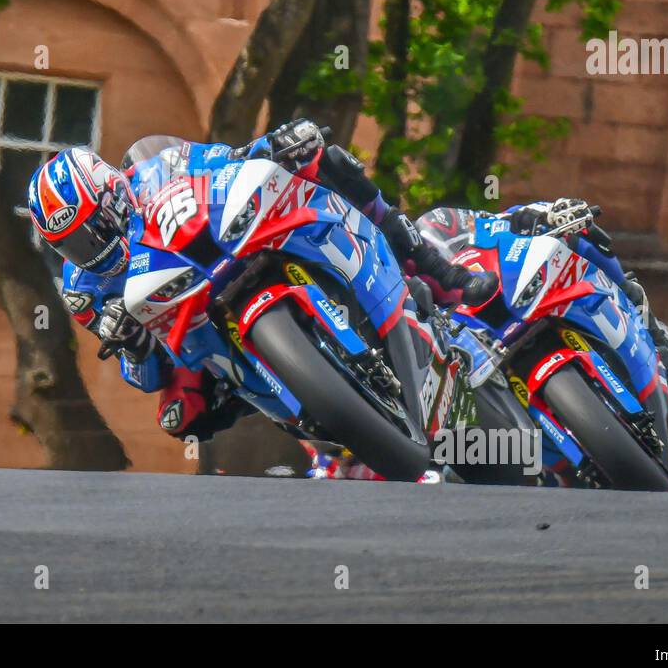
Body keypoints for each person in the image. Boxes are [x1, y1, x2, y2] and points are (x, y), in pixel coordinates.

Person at [27, 119, 497, 445]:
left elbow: (226, 164)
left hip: (231, 250)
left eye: (93, 229)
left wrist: (274, 146)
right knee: (180, 417)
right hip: (190, 330)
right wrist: (134, 346)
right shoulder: (83, 290)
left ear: (111, 195)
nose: (90, 249)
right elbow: (147, 379)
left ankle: (437, 271)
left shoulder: (156, 170)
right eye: (73, 245)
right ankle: (293, 401)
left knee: (323, 156)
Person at [416, 198, 668, 431]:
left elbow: (501, 219)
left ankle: (661, 340)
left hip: (521, 291)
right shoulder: (404, 283)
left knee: (575, 234)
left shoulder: (433, 227)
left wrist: (548, 214)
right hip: (481, 348)